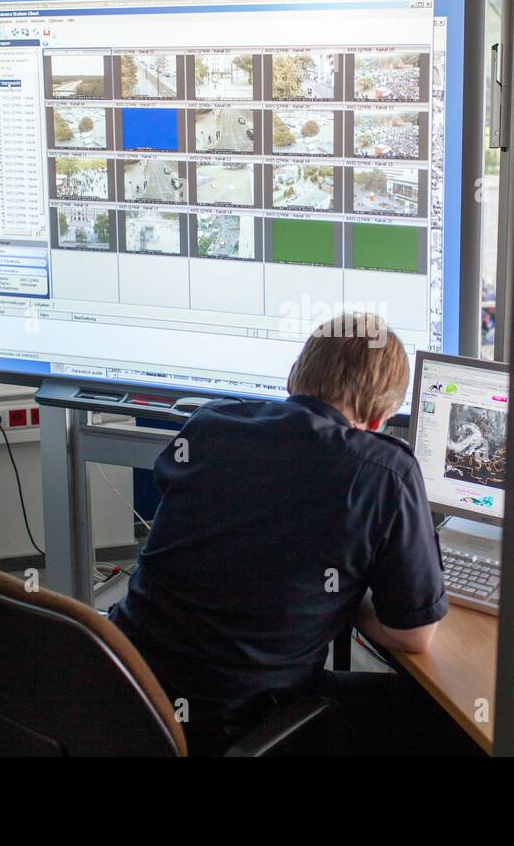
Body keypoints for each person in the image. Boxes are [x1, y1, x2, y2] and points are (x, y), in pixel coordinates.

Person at [110, 313, 466, 756]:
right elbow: (414, 635)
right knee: (452, 722)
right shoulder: (386, 472)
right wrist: (347, 603)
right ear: (378, 420)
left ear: (292, 377)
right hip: (236, 725)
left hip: (121, 686)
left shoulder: (209, 425)